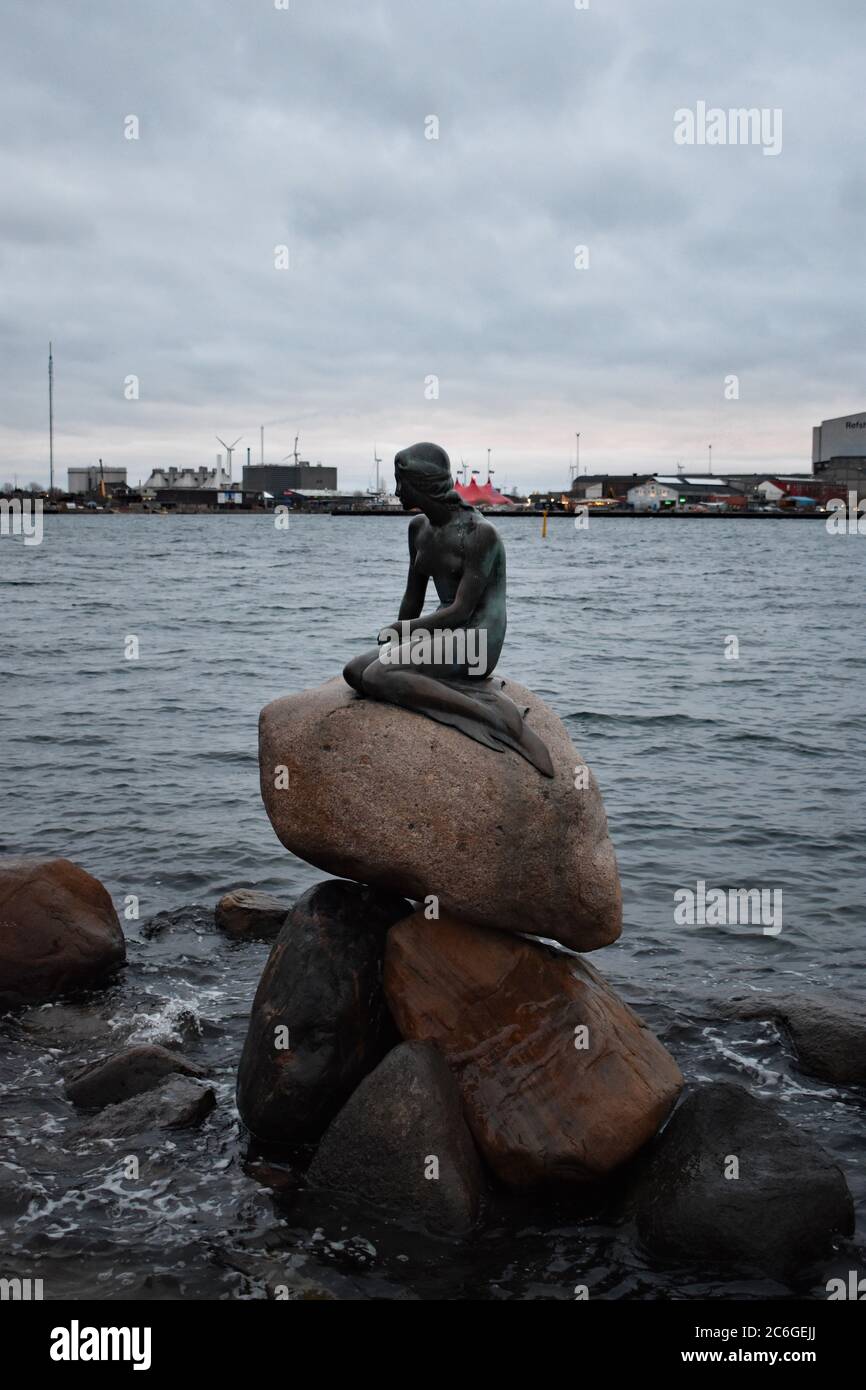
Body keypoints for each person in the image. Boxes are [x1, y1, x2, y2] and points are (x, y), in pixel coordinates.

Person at [342, 442, 554, 776]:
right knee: (355, 672)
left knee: (381, 674)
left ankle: (494, 716)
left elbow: (461, 611)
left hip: (476, 639)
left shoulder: (479, 534)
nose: (397, 491)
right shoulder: (418, 529)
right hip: (442, 633)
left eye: (402, 483)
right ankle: (444, 688)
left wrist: (406, 633)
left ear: (422, 485)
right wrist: (400, 640)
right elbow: (412, 597)